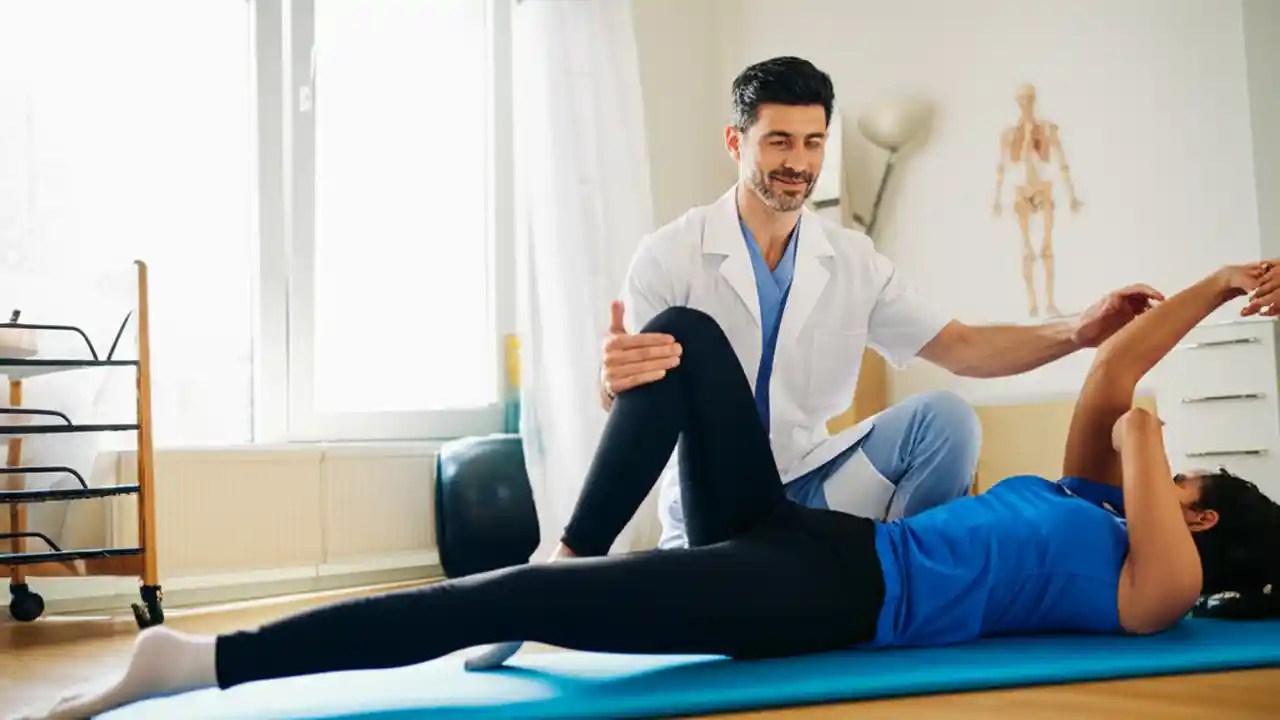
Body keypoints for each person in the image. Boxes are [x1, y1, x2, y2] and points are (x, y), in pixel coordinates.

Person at [28, 262, 1280, 720]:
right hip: (800, 534)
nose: (1152, 465)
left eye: (1183, 482)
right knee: (683, 329)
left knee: (492, 597)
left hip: (817, 597)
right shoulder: (1094, 512)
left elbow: (1134, 420)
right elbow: (1112, 368)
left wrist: (1152, 445)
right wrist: (1218, 282)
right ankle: (575, 549)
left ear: (1202, 512)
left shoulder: (1154, 591)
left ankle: (198, 664)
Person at [599, 57, 1161, 555]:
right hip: (709, 510)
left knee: (947, 419)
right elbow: (628, 403)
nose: (799, 161)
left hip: (808, 487)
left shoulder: (851, 258)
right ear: (735, 142)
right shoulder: (671, 255)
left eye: (813, 141)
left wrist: (1078, 331)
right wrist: (609, 384)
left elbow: (962, 348)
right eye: (779, 141)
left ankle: (897, 581)